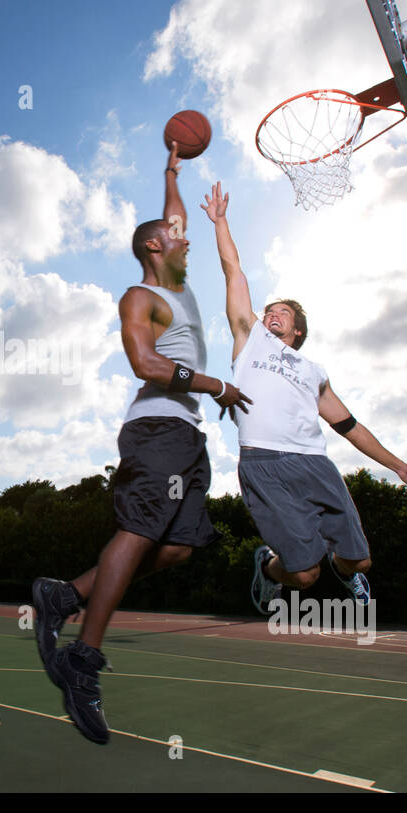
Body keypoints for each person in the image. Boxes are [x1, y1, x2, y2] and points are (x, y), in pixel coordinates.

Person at [31, 144, 250, 745]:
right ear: (155, 247)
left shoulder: (180, 287)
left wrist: (173, 171)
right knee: (141, 530)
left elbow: (173, 218)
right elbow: (145, 363)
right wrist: (213, 384)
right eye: (174, 237)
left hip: (189, 434)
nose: (185, 240)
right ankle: (83, 658)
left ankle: (67, 592)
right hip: (156, 426)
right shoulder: (139, 297)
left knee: (178, 550)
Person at [198, 181, 407, 613]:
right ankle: (269, 569)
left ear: (296, 332)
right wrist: (221, 221)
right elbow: (233, 270)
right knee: (305, 575)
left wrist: (400, 465)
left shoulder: (314, 373)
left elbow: (350, 427)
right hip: (264, 462)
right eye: (269, 310)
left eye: (283, 314)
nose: (272, 314)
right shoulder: (249, 339)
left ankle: (352, 575)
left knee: (358, 558)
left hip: (314, 463)